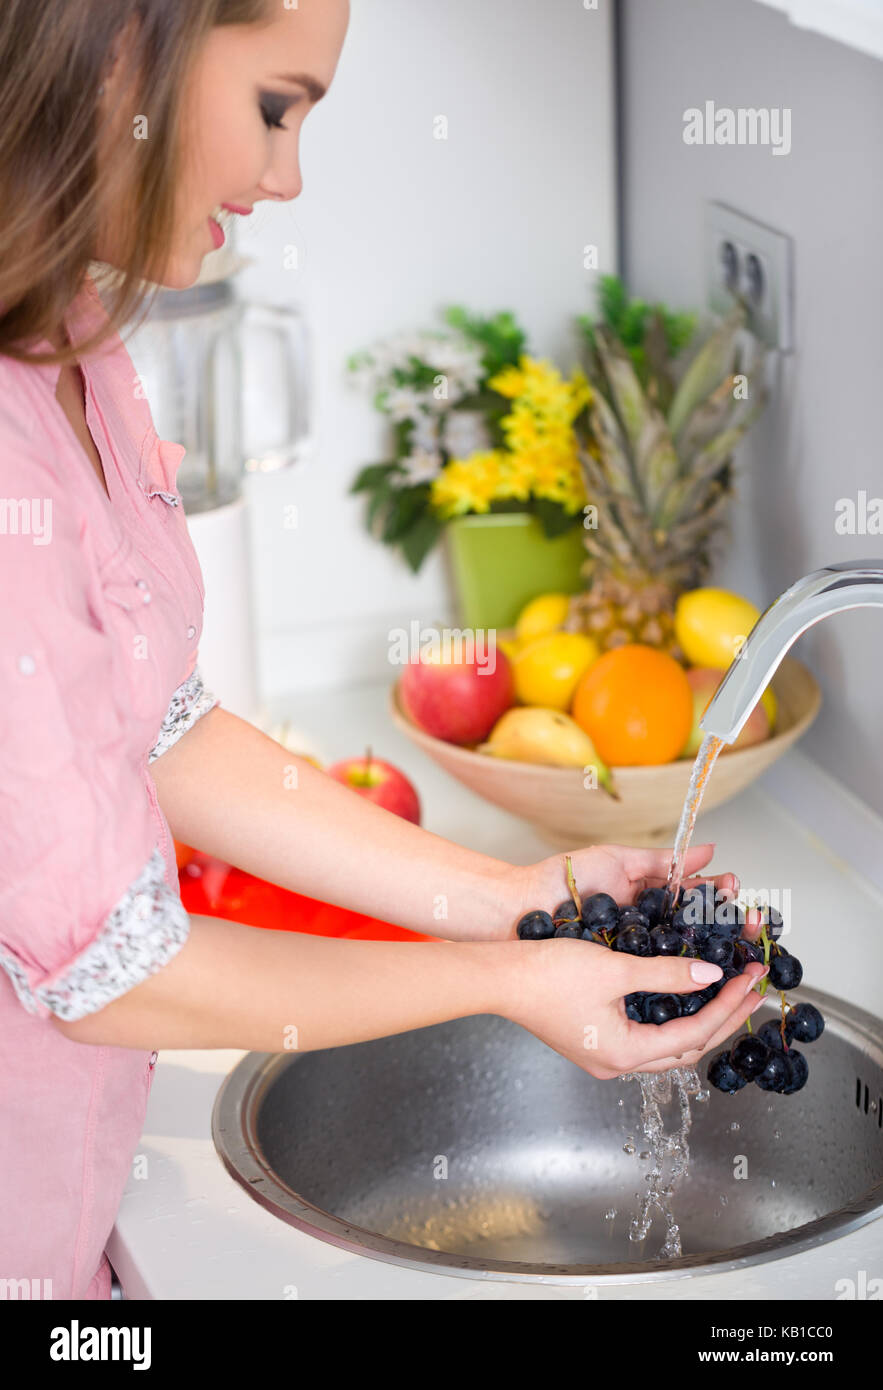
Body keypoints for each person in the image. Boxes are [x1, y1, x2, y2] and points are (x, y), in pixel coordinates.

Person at [0, 0, 767, 1300]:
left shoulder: (67, 336)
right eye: (275, 106)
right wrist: (507, 980)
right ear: (127, 47)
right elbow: (112, 968)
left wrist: (517, 896)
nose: (287, 175)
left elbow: (156, 728)